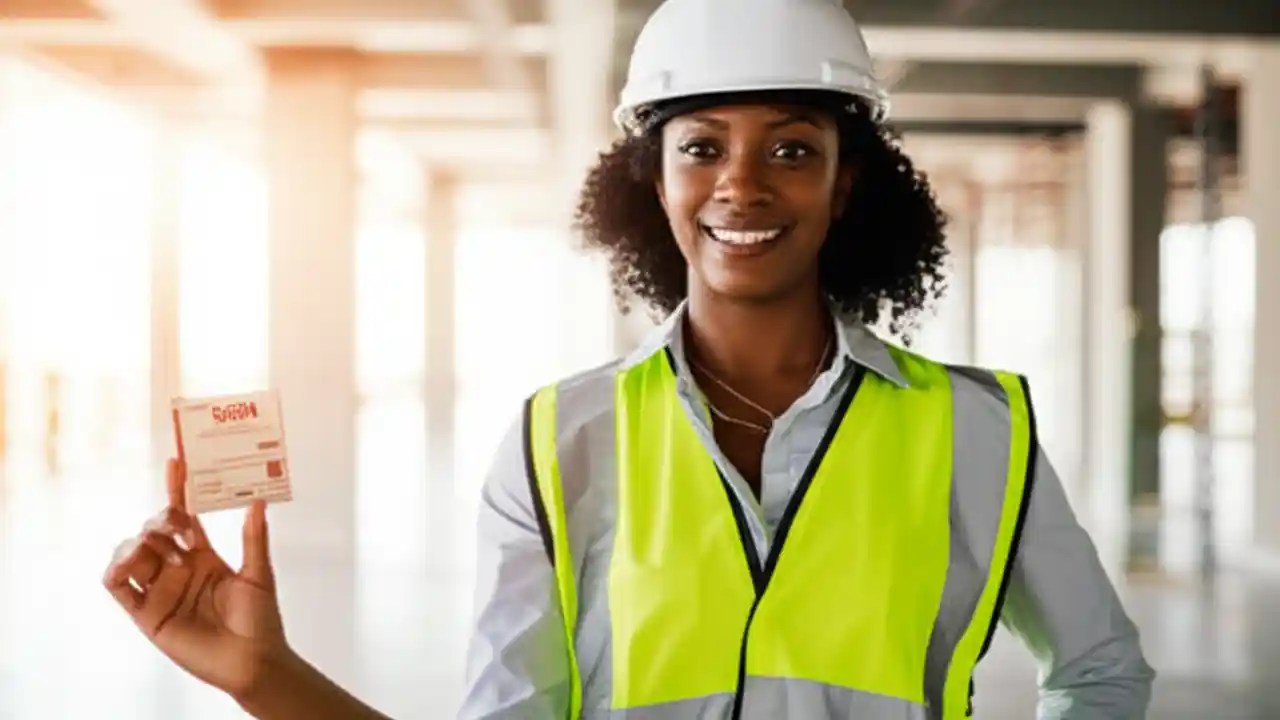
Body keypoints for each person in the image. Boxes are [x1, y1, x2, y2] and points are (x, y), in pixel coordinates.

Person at [103, 0, 1155, 717]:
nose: (741, 185)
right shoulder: (558, 439)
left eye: (792, 148)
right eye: (699, 146)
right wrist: (264, 676)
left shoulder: (975, 429)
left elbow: (1099, 668)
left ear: (844, 187)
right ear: (651, 182)